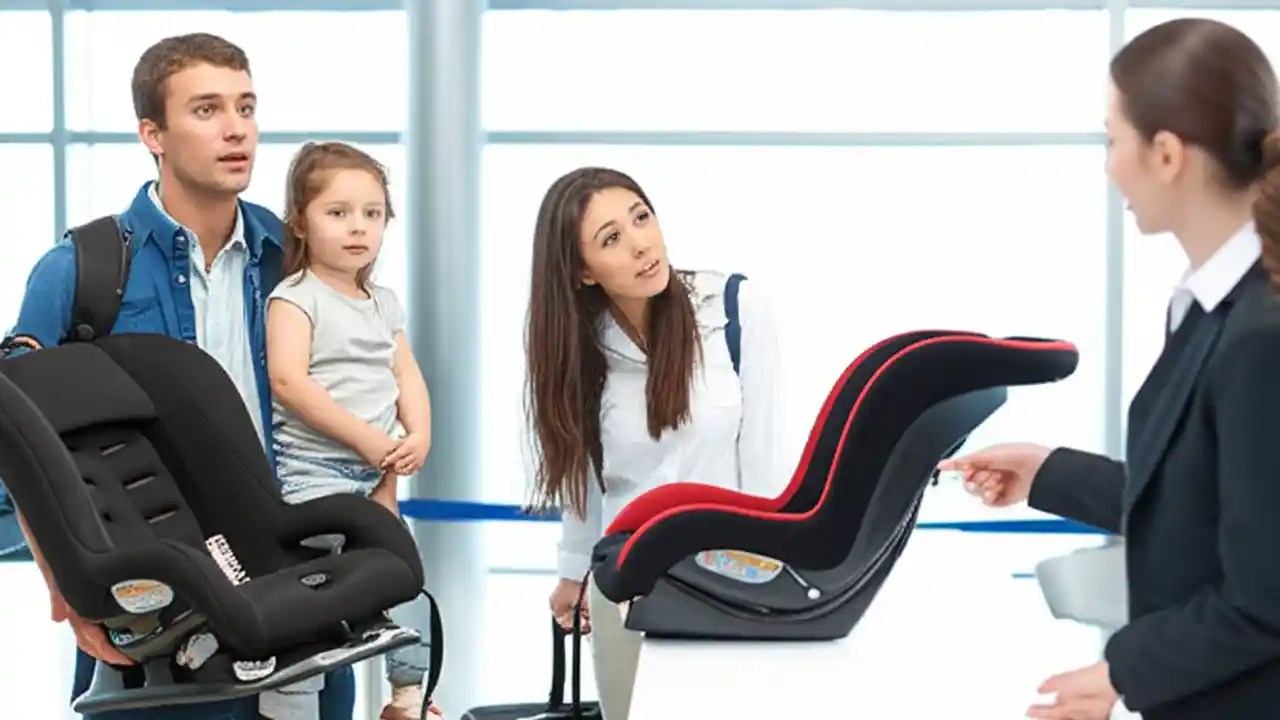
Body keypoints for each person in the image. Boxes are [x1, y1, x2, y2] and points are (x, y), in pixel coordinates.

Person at [2, 33, 354, 720]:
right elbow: (20, 446)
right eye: (206, 109)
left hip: (293, 568)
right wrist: (67, 586)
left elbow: (360, 389)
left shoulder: (301, 261)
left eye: (246, 108)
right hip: (157, 590)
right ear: (152, 134)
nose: (235, 129)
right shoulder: (82, 270)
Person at [938, 17, 1280, 720]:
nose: (1106, 164)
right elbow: (1207, 508)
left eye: (1111, 138)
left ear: (1165, 154)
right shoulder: (1210, 306)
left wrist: (1122, 671)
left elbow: (1266, 600)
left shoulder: (1260, 335)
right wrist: (1049, 472)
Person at [524, 167, 782, 720]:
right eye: (611, 239)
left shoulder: (733, 309)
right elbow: (581, 474)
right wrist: (572, 573)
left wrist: (771, 571)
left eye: (641, 218)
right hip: (627, 583)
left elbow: (763, 458)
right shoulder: (579, 349)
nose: (641, 243)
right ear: (582, 272)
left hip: (727, 576)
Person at [263, 141, 442, 720]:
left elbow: (404, 371)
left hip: (375, 481)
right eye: (337, 213)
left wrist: (419, 432)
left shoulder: (382, 302)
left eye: (373, 213)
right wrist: (367, 441)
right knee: (308, 604)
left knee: (405, 580)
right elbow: (288, 383)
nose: (358, 227)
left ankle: (408, 700)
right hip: (312, 480)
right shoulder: (295, 299)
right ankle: (288, 708)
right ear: (301, 221)